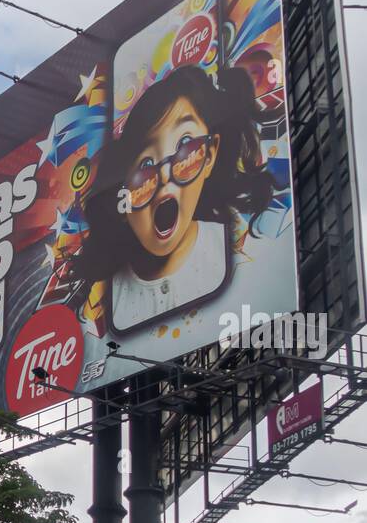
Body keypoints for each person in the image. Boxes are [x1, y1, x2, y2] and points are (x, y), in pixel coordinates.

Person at [72, 63, 275, 343]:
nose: (165, 174)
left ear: (210, 155)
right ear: (122, 199)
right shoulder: (98, 312)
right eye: (145, 165)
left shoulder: (244, 256)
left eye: (185, 147)